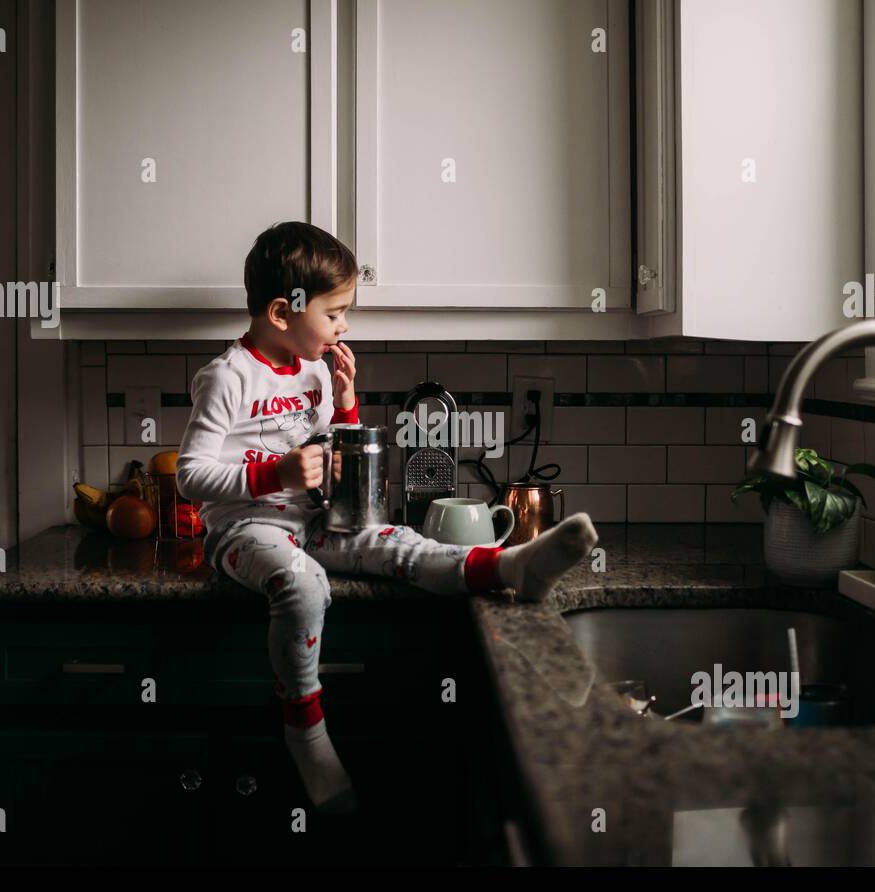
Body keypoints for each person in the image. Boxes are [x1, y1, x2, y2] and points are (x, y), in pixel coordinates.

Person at [176, 221, 597, 813]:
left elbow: (336, 453)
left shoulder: (314, 369)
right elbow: (190, 477)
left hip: (316, 520)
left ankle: (510, 568)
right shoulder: (226, 377)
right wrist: (276, 476)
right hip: (246, 530)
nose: (343, 326)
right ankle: (306, 733)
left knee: (399, 542)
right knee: (302, 585)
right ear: (281, 312)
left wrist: (345, 402)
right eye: (335, 312)